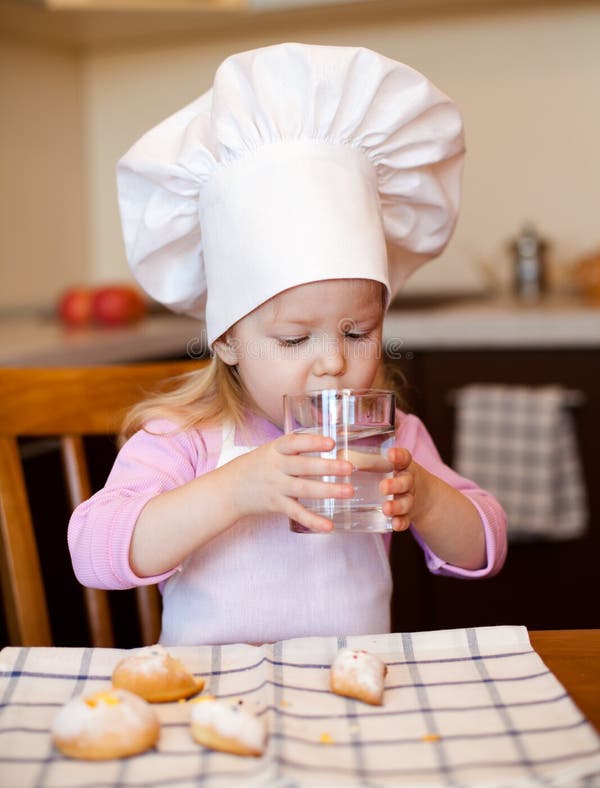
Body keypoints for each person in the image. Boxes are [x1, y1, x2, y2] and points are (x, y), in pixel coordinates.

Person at [68, 43, 507, 646]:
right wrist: (233, 490)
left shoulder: (388, 437)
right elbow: (93, 553)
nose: (333, 360)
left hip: (348, 695)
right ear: (227, 341)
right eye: (295, 338)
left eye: (358, 332)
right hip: (210, 701)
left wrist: (426, 499)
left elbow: (487, 543)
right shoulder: (185, 437)